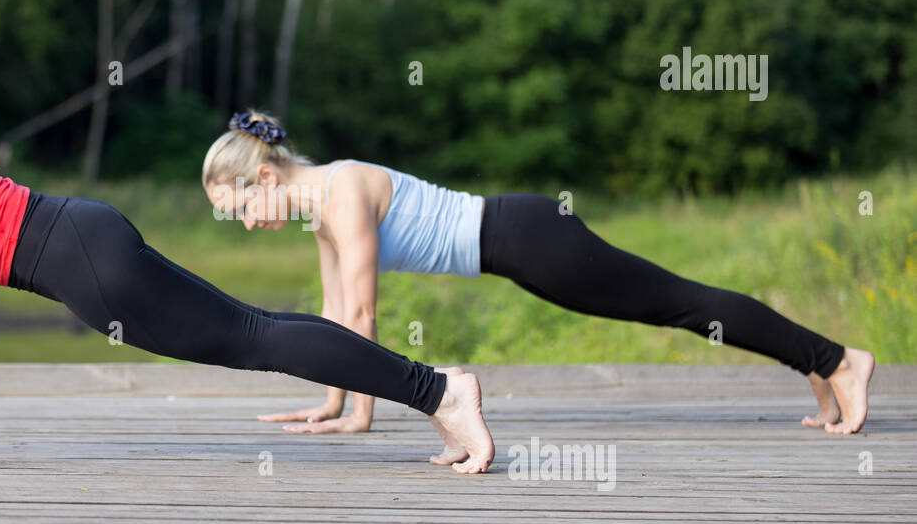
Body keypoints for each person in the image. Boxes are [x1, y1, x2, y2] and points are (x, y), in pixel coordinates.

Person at [0, 100, 494, 475]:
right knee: (252, 334)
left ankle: (439, 390)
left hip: (79, 257)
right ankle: (436, 391)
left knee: (254, 336)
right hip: (80, 248)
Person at [201, 109, 875, 437]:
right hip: (517, 251)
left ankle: (838, 359)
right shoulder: (319, 207)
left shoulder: (343, 191)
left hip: (530, 237)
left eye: (239, 207)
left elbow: (362, 318)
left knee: (676, 303)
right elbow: (332, 310)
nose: (243, 221)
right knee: (677, 302)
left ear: (264, 176)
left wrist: (363, 413)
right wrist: (332, 401)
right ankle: (816, 366)